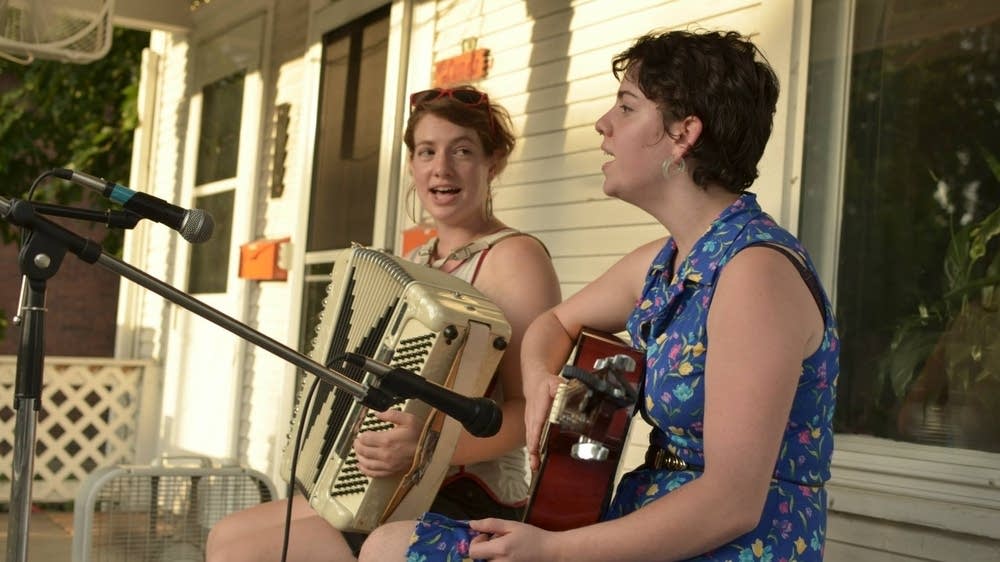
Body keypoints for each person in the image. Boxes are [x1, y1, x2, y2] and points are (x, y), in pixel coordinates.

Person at [359, 29, 839, 562]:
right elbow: (552, 325)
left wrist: (552, 551)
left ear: (683, 134)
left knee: (395, 551)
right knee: (390, 543)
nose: (603, 124)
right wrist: (542, 378)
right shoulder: (666, 260)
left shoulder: (755, 274)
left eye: (626, 107)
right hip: (637, 524)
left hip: (727, 548)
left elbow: (730, 504)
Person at [204, 86, 562, 562]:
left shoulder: (515, 258)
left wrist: (429, 450)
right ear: (412, 165)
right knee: (227, 537)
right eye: (427, 152)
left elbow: (528, 413)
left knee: (258, 549)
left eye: (463, 151)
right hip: (391, 483)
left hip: (472, 493)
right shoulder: (412, 263)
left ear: (492, 162)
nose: (443, 168)